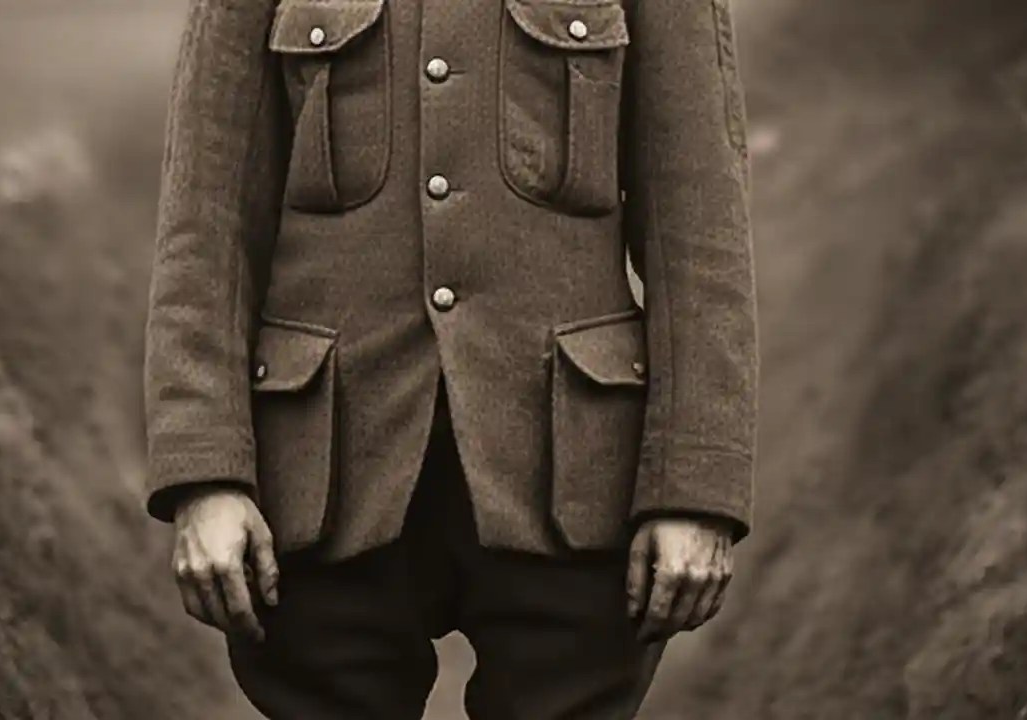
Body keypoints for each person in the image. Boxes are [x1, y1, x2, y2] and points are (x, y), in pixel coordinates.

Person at [143, 0, 757, 716]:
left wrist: (693, 489)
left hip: (577, 486)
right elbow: (206, 227)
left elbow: (700, 232)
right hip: (320, 485)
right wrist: (206, 477)